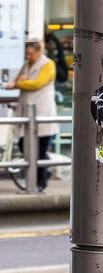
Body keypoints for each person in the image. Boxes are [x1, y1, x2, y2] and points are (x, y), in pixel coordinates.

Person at [5, 39, 59, 192]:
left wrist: (21, 83)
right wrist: (20, 82)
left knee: (39, 150)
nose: (28, 56)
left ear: (39, 52)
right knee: (24, 144)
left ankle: (39, 183)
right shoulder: (27, 64)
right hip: (28, 112)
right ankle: (43, 171)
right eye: (26, 53)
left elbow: (37, 83)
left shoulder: (48, 64)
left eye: (31, 53)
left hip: (42, 112)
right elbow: (17, 80)